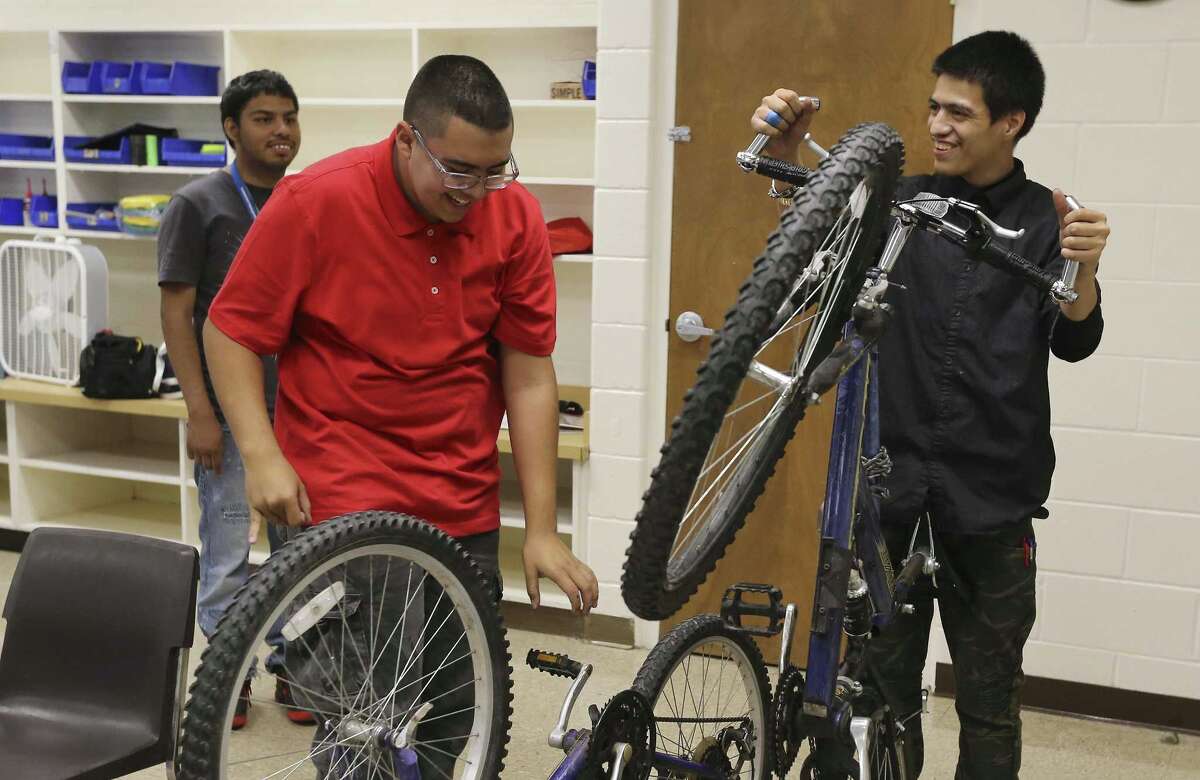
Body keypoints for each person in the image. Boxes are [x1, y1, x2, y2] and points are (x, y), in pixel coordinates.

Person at [202, 54, 599, 774]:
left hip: (461, 500)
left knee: (463, 706)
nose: (477, 191)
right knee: (360, 717)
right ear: (406, 139)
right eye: (459, 171)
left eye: (495, 169)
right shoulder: (315, 202)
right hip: (340, 498)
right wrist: (261, 454)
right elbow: (230, 329)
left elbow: (529, 372)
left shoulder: (514, 214)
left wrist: (540, 529)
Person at [751, 31, 1109, 778]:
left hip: (993, 497)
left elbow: (1075, 340)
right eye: (933, 108)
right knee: (876, 695)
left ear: (1012, 122)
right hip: (888, 486)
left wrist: (1085, 268)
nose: (939, 125)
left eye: (960, 113)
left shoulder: (1048, 220)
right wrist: (788, 160)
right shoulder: (901, 202)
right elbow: (814, 255)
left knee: (988, 707)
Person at [157, 69, 303, 731]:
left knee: (302, 548)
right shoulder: (199, 203)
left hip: (301, 412)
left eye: (289, 117)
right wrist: (200, 411)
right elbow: (178, 312)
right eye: (266, 118)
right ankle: (229, 681)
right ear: (231, 128)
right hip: (228, 413)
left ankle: (302, 670)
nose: (281, 131)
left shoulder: (305, 199)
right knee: (225, 554)